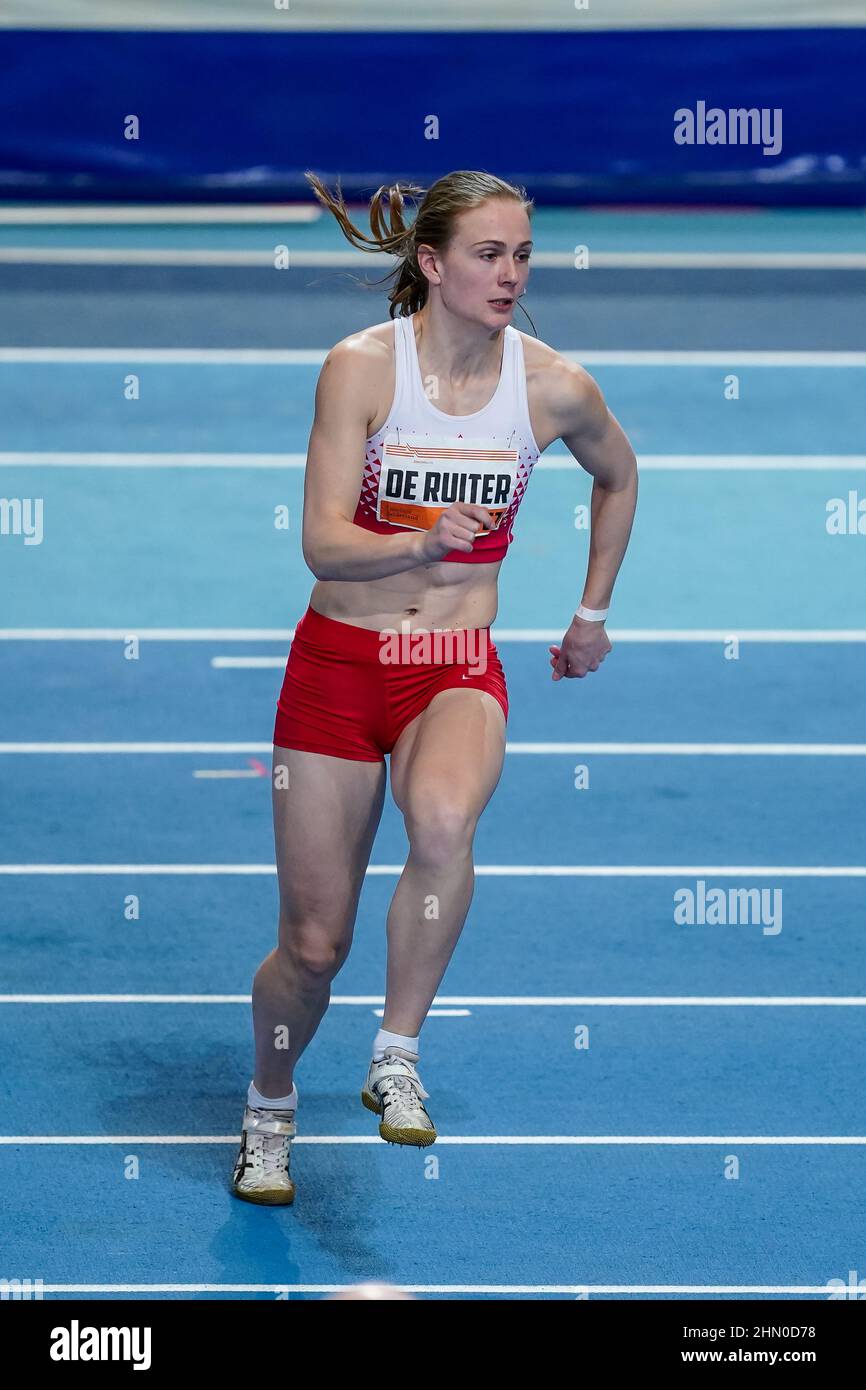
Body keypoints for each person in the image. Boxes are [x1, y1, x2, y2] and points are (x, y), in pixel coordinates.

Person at [231, 169, 637, 1204]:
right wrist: (414, 533)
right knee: (311, 946)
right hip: (336, 667)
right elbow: (321, 544)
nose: (509, 275)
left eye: (521, 256)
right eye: (487, 255)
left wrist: (588, 614)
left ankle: (396, 1052)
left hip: (451, 667)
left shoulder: (550, 386)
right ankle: (269, 1104)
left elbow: (617, 473)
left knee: (445, 821)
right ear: (430, 263)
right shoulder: (361, 371)